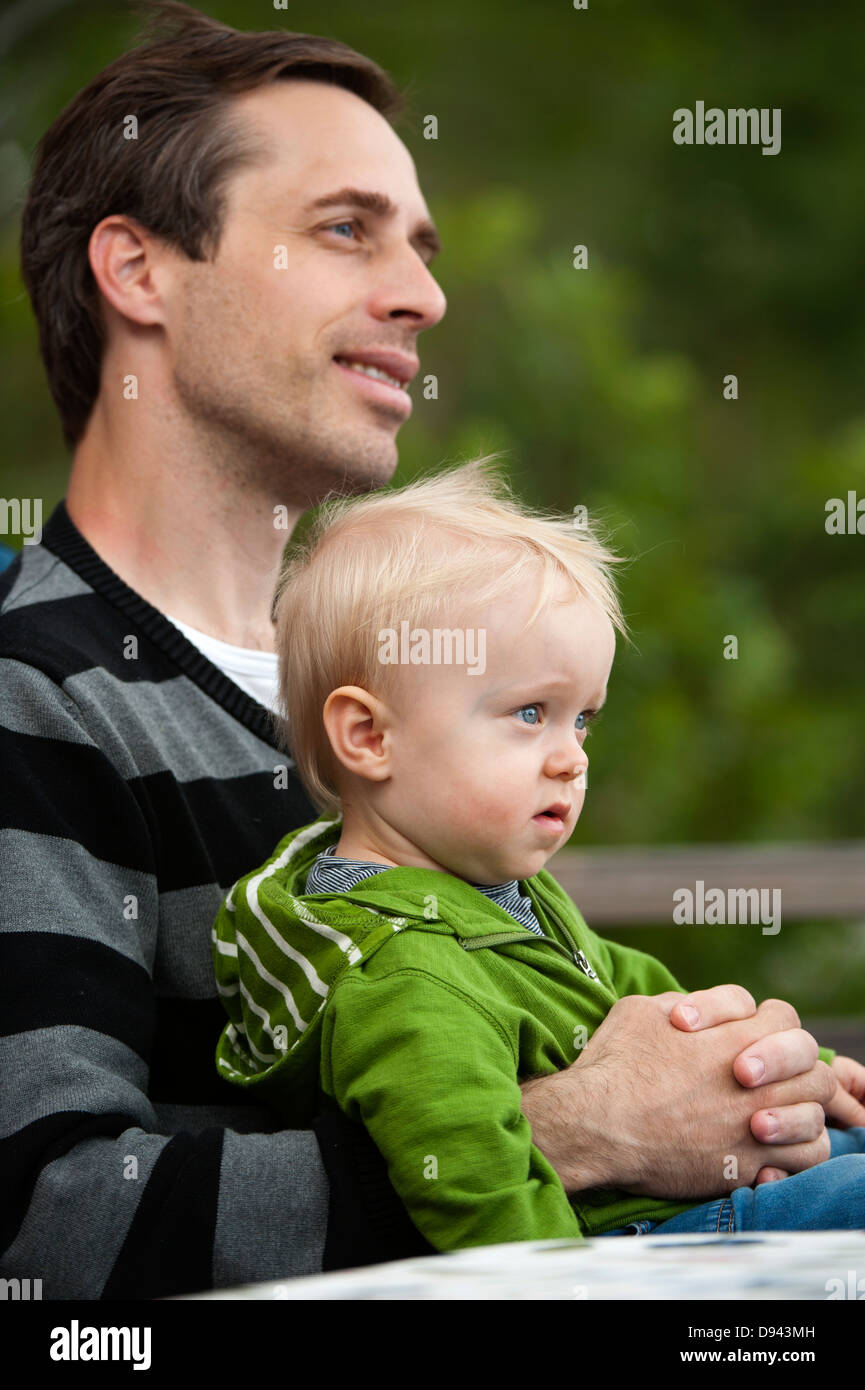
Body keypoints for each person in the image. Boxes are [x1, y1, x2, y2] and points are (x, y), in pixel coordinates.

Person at [0, 1, 840, 1298]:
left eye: (425, 248)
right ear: (140, 270)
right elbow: (43, 1225)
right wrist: (586, 1130)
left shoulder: (409, 676)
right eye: (347, 229)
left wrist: (730, 1075)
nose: (426, 295)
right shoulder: (30, 691)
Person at [213, 457, 865, 1249]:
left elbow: (633, 994)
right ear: (369, 736)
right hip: (627, 1244)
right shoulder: (400, 977)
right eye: (530, 713)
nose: (572, 758)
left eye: (582, 719)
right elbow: (475, 1192)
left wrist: (805, 1069)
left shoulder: (495, 888)